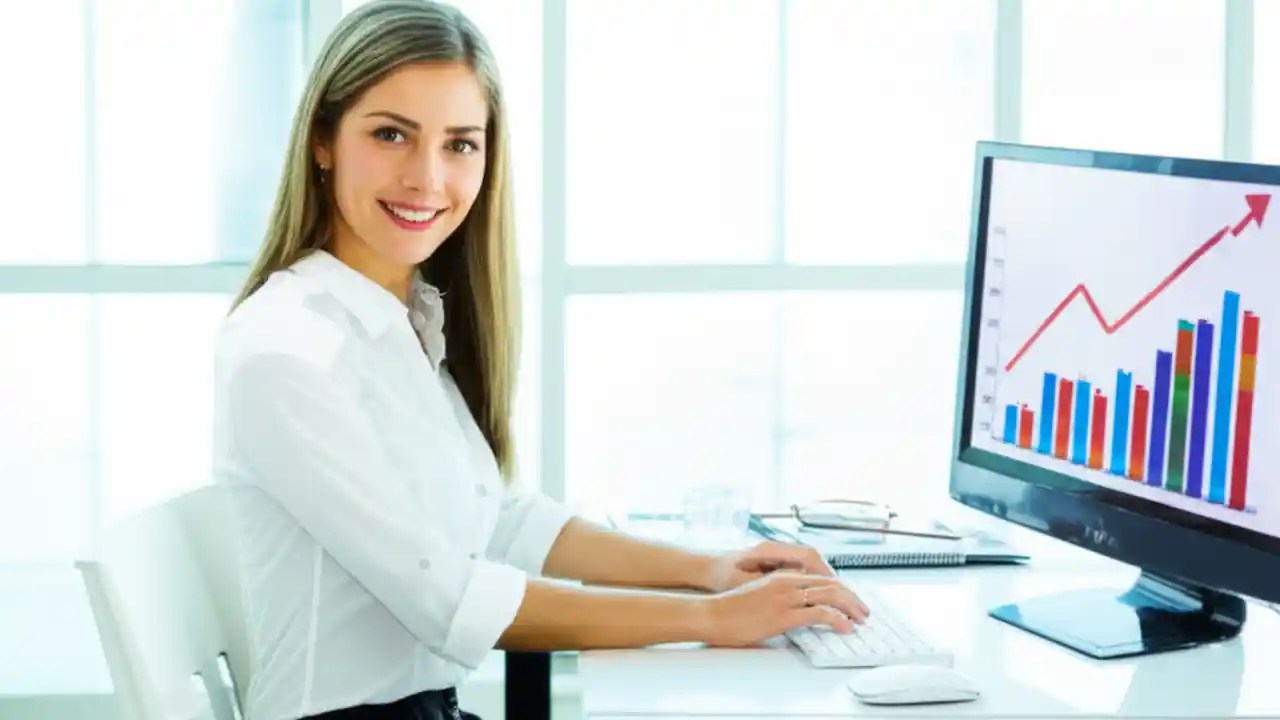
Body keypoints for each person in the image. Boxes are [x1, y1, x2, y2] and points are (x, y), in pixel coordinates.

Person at [212, 1, 868, 718]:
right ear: (323, 141)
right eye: (392, 134)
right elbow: (450, 600)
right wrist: (714, 620)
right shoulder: (288, 351)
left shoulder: (398, 319)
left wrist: (709, 573)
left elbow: (499, 519)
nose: (427, 179)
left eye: (460, 144)